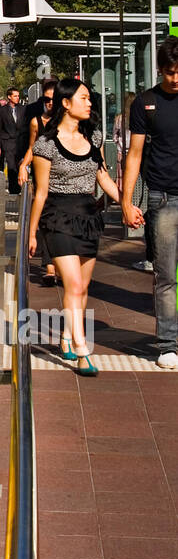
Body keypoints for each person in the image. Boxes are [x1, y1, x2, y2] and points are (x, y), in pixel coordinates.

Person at [29, 77, 128, 375]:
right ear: (66, 103)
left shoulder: (94, 137)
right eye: (83, 98)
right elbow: (41, 192)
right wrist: (32, 232)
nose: (89, 103)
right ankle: (84, 351)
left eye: (89, 98)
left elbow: (103, 178)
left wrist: (126, 204)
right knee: (72, 284)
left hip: (87, 216)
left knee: (83, 287)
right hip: (57, 216)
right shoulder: (45, 145)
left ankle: (67, 336)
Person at [121, 37, 178, 368]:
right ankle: (168, 343)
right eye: (169, 72)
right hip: (164, 197)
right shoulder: (145, 103)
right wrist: (127, 202)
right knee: (166, 274)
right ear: (160, 70)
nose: (174, 78)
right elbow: (134, 154)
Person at [18, 79, 57, 284]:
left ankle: (57, 262)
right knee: (46, 221)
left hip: (62, 181)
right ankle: (49, 266)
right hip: (43, 179)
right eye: (46, 99)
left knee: (59, 224)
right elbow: (32, 148)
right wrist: (24, 165)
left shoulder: (69, 122)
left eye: (54, 99)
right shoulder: (36, 121)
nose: (50, 103)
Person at [0, 86, 24, 193]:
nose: (17, 98)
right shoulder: (2, 111)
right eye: (15, 96)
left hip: (20, 143)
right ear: (9, 97)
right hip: (7, 142)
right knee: (11, 167)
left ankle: (20, 187)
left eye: (18, 96)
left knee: (19, 166)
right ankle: (13, 189)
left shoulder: (22, 109)